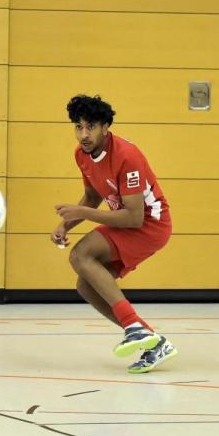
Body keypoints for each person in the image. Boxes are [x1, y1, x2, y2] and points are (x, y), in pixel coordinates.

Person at [51, 94, 177, 374]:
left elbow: (134, 217)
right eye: (78, 126)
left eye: (91, 127)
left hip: (150, 225)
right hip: (127, 222)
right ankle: (152, 341)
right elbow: (92, 196)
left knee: (81, 254)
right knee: (85, 285)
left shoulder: (127, 156)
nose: (83, 134)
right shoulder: (81, 154)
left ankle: (134, 328)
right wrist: (65, 225)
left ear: (106, 127)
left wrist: (81, 214)